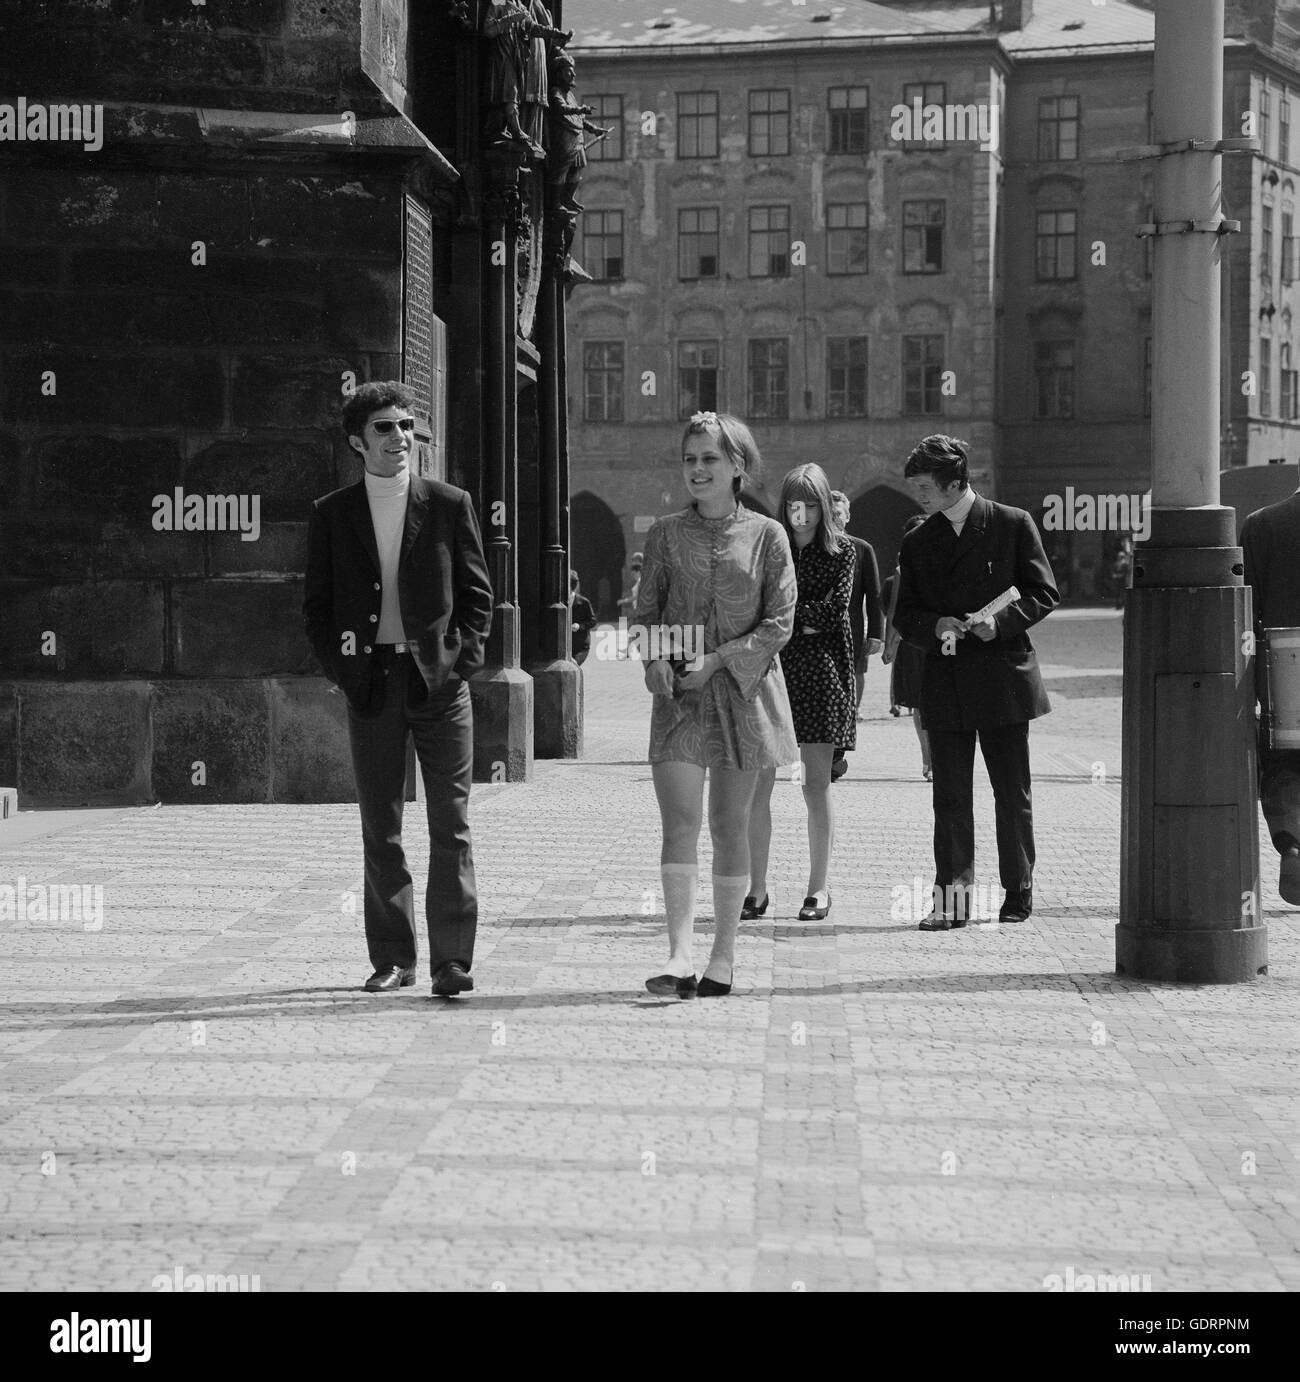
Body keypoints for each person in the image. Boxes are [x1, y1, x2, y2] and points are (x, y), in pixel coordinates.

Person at [303, 381, 493, 996]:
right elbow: (318, 608)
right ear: (358, 441)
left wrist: (459, 663)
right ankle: (392, 959)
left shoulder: (447, 503)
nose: (400, 437)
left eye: (407, 425)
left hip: (438, 683)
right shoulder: (332, 513)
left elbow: (477, 597)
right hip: (374, 683)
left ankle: (451, 962)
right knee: (380, 827)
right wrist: (346, 671)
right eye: (385, 427)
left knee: (451, 824)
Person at [636, 411, 798, 998]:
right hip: (679, 702)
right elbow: (645, 612)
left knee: (730, 827)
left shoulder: (768, 535)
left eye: (709, 459)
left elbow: (780, 620)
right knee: (677, 825)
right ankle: (679, 955)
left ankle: (723, 956)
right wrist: (654, 658)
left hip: (745, 696)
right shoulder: (664, 534)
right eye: (689, 459)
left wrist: (721, 659)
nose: (698, 469)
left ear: (738, 466)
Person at [895, 434, 1058, 929]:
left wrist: (1002, 623)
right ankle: (953, 898)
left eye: (925, 487)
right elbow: (906, 614)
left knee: (1011, 792)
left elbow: (1043, 592)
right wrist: (936, 625)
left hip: (1004, 677)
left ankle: (1018, 888)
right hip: (945, 681)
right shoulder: (919, 540)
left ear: (954, 483)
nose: (919, 496)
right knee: (949, 796)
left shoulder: (1011, 523)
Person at [744, 464, 857, 923]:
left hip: (824, 676)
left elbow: (833, 613)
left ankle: (818, 889)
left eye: (811, 505)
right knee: (759, 786)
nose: (802, 515)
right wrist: (792, 620)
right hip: (774, 673)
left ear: (824, 505)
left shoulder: (843, 551)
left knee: (816, 784)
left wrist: (789, 619)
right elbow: (761, 610)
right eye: (794, 505)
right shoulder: (772, 549)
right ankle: (756, 888)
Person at [1241, 489, 1300, 904]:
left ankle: (1292, 841)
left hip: (1283, 666)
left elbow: (1248, 605)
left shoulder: (1262, 524)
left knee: (1283, 763)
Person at [828, 490, 883, 782]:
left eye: (840, 513)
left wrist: (876, 632)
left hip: (850, 634)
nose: (836, 518)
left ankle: (837, 755)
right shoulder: (812, 546)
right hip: (817, 635)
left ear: (848, 516)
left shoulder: (862, 549)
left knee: (846, 691)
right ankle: (824, 754)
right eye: (831, 513)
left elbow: (872, 596)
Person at [881, 513, 932, 779]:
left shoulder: (946, 562)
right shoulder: (903, 570)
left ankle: (940, 758)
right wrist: (890, 643)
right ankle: (928, 761)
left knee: (937, 704)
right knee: (919, 705)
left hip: (939, 640)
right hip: (913, 643)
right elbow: (894, 610)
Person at [569, 569, 596, 665]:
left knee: (573, 667)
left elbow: (593, 621)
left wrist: (580, 626)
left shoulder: (584, 602)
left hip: (581, 646)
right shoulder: (560, 602)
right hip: (566, 646)